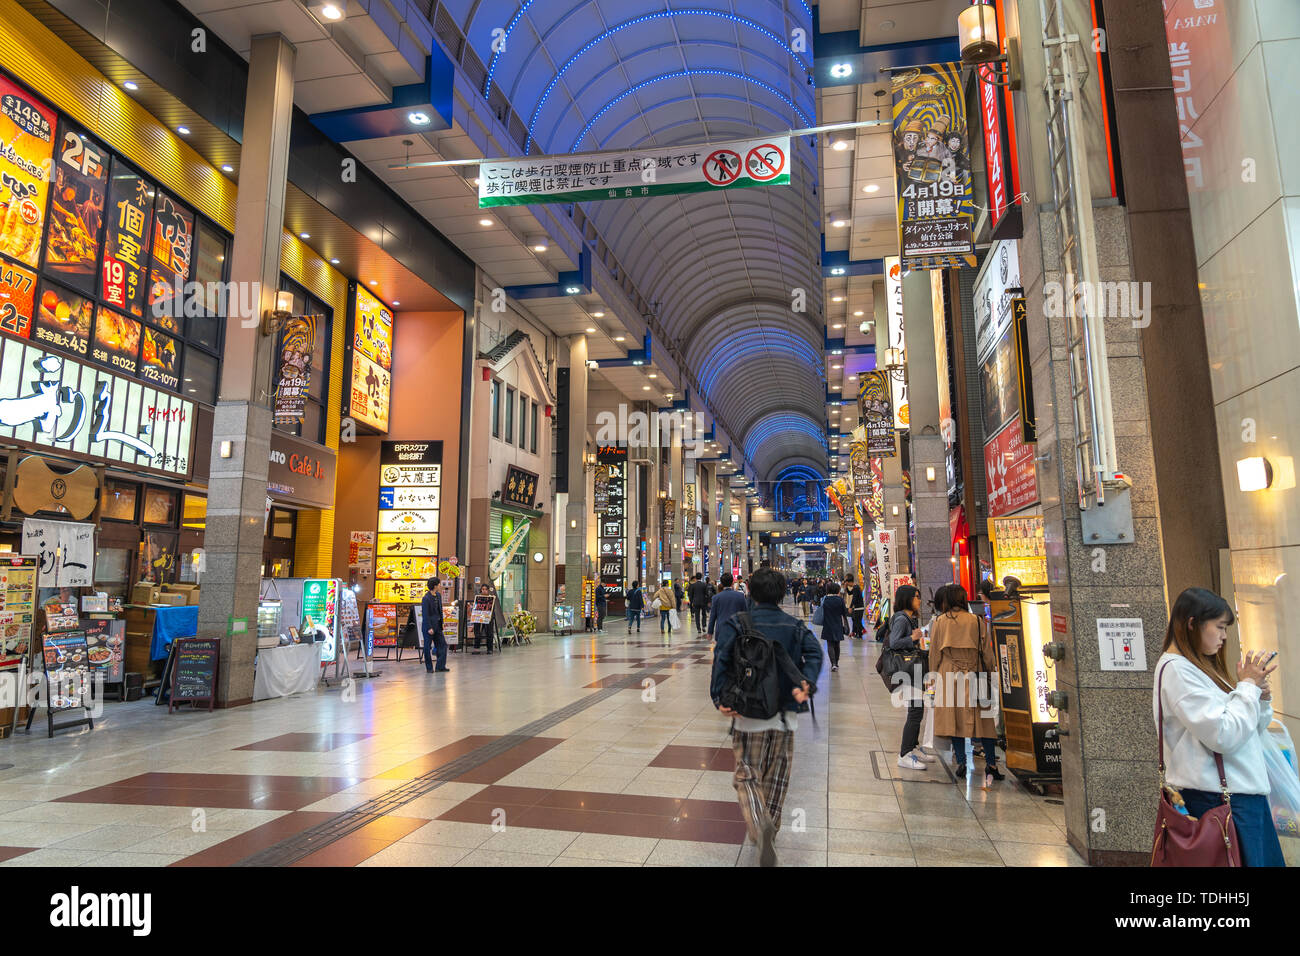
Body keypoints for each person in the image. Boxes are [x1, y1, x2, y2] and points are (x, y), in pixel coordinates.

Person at [1154, 587, 1283, 867]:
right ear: (1192, 623)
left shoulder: (1197, 667)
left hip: (1237, 798)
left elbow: (1247, 732)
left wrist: (1259, 698)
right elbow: (1223, 735)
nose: (1224, 637)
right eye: (1220, 627)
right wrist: (1246, 687)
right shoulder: (1177, 670)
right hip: (1220, 801)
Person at [711, 568, 822, 867]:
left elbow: (721, 658)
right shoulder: (794, 625)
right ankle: (769, 823)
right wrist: (806, 682)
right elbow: (814, 653)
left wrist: (718, 697)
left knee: (747, 772)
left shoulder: (738, 623)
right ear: (780, 592)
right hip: (785, 715)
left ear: (752, 592)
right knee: (777, 776)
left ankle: (760, 823)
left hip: (748, 713)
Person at [929, 584, 1000, 782]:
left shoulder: (940, 621)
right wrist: (990, 671)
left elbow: (935, 651)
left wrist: (932, 675)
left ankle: (961, 761)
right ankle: (991, 764)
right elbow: (986, 652)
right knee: (984, 722)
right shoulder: (977, 621)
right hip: (975, 672)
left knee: (955, 720)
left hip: (949, 673)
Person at [888, 584, 926, 770]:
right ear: (907, 599)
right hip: (908, 669)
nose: (919, 600)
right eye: (916, 596)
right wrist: (913, 638)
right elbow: (894, 643)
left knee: (917, 709)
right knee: (915, 711)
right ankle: (904, 754)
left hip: (912, 669)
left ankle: (912, 747)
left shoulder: (907, 618)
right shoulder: (902, 619)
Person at [818, 581, 850, 672]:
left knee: (830, 644)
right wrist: (846, 623)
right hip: (838, 624)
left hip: (827, 624)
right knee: (837, 644)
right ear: (837, 590)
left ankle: (833, 664)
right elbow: (844, 613)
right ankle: (836, 662)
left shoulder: (825, 599)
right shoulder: (840, 600)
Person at [706, 572, 748, 640]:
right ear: (732, 583)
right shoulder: (740, 596)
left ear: (722, 584)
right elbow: (745, 614)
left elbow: (712, 616)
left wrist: (710, 632)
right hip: (736, 630)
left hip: (721, 630)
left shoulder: (716, 598)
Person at [420, 576, 448, 673]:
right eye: (439, 584)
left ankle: (440, 666)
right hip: (429, 626)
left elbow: (440, 610)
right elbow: (425, 614)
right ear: (435, 585)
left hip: (438, 625)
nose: (440, 585)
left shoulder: (438, 595)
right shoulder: (426, 598)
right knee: (427, 647)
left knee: (443, 645)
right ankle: (429, 668)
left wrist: (442, 623)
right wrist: (429, 627)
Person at [472, 582, 497, 654]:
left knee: (489, 632)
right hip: (478, 616)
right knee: (477, 631)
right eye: (483, 589)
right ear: (481, 590)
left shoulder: (491, 598)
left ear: (488, 590)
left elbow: (492, 608)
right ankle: (476, 648)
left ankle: (489, 649)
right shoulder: (478, 597)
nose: (484, 591)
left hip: (487, 617)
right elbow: (475, 607)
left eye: (486, 589)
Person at [846, 574, 866, 639]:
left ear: (849, 582)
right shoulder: (855, 588)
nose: (847, 584)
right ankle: (858, 634)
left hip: (859, 608)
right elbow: (849, 593)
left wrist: (850, 607)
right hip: (858, 608)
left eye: (847, 583)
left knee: (856, 621)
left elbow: (854, 598)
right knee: (855, 620)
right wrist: (846, 587)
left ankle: (862, 631)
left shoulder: (856, 588)